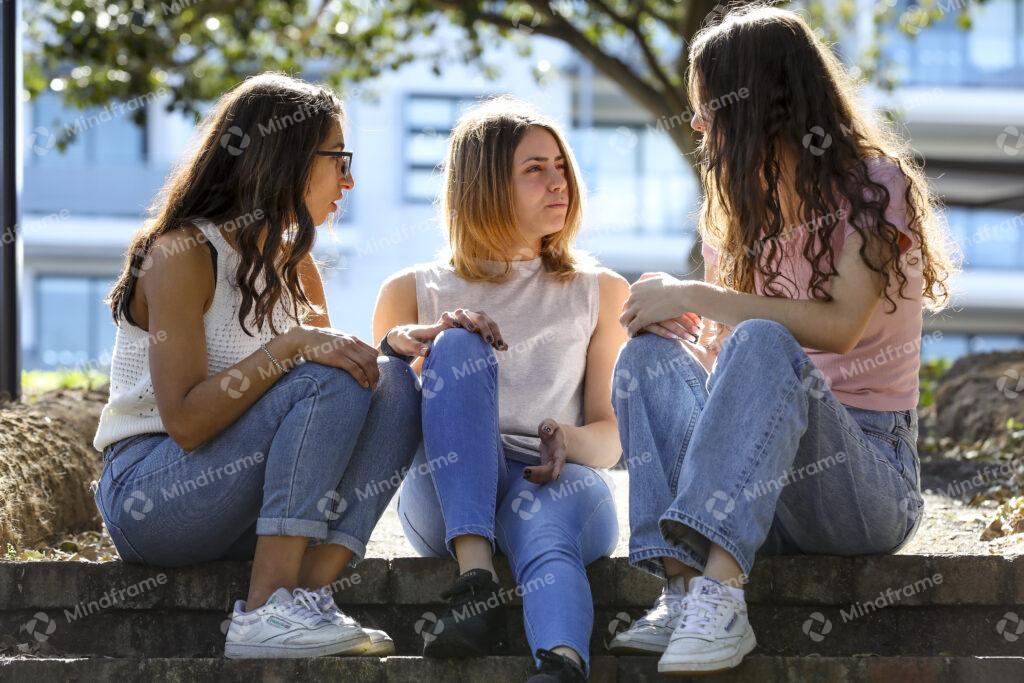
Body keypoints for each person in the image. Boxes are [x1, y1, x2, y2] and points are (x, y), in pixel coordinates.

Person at [607, 5, 958, 675]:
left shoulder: (876, 188)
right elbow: (729, 363)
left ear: (763, 101)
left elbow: (835, 327)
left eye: (710, 105)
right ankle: (681, 590)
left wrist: (697, 295)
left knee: (764, 338)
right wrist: (678, 321)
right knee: (648, 356)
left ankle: (722, 595)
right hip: (756, 483)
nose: (701, 123)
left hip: (863, 482)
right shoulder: (736, 207)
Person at [92, 73, 421, 659]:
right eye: (338, 158)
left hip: (246, 505)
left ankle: (305, 601)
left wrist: (393, 347)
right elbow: (187, 424)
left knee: (394, 383)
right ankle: (265, 611)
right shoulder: (182, 253)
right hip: (154, 494)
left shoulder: (299, 268)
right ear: (284, 159)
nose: (349, 179)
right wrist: (291, 347)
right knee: (324, 375)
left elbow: (338, 403)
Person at [373, 97, 639, 682]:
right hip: (447, 495)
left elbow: (610, 438)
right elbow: (387, 415)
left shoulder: (601, 290)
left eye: (561, 166)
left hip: (558, 482)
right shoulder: (410, 291)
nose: (558, 182)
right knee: (461, 341)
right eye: (534, 169)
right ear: (486, 185)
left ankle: (562, 666)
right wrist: (403, 342)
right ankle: (474, 580)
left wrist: (564, 440)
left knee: (542, 519)